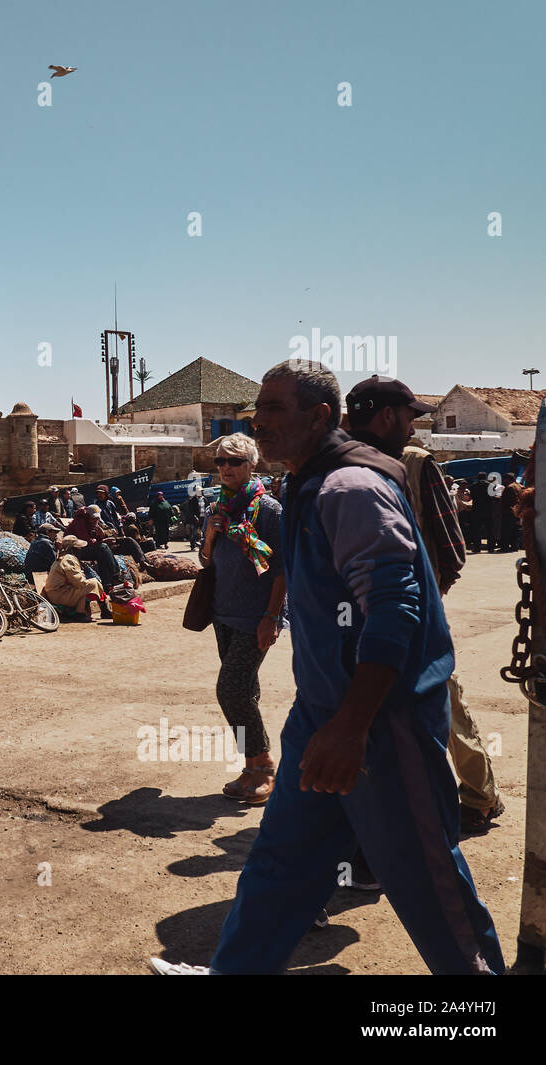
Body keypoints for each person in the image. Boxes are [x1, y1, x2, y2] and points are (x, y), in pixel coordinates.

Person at [153, 360, 502, 975]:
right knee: (279, 868)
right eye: (257, 409)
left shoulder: (350, 489)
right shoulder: (308, 484)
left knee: (430, 884)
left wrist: (351, 725)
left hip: (377, 727)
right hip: (322, 716)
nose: (258, 422)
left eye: (274, 409)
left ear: (320, 417)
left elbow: (396, 609)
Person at [346, 375, 504, 836]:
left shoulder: (415, 463)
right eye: (410, 416)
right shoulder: (351, 466)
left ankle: (478, 797)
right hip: (367, 617)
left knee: (445, 704)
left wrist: (428, 598)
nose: (414, 426)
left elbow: (453, 548)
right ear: (387, 416)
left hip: (412, 614)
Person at [198, 433, 286, 805]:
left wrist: (271, 616)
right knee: (244, 692)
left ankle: (264, 764)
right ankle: (250, 766)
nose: (226, 468)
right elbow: (205, 560)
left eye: (234, 461)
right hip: (224, 613)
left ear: (253, 465)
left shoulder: (268, 510)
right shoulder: (217, 508)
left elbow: (282, 569)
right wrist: (212, 535)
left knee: (230, 689)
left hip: (255, 616)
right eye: (220, 461)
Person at [69, 503, 144, 582]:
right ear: (88, 516)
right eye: (93, 518)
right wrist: (102, 540)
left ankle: (142, 562)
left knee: (128, 540)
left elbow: (103, 534)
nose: (95, 521)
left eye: (97, 518)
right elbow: (85, 542)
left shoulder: (95, 522)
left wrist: (102, 535)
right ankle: (116, 575)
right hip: (79, 550)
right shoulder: (80, 523)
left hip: (95, 545)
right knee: (103, 548)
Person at [43, 535, 112, 621]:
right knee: (93, 583)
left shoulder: (62, 557)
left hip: (58, 593)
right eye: (78, 548)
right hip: (59, 595)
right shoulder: (69, 559)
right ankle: (98, 610)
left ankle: (83, 612)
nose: (80, 550)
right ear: (72, 549)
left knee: (85, 587)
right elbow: (79, 582)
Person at [467, 472, 492, 552]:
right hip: (488, 510)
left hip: (476, 510)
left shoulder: (474, 485)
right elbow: (493, 497)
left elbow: (471, 497)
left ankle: (477, 548)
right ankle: (490, 548)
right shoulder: (490, 485)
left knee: (476, 530)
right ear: (485, 477)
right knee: (489, 530)